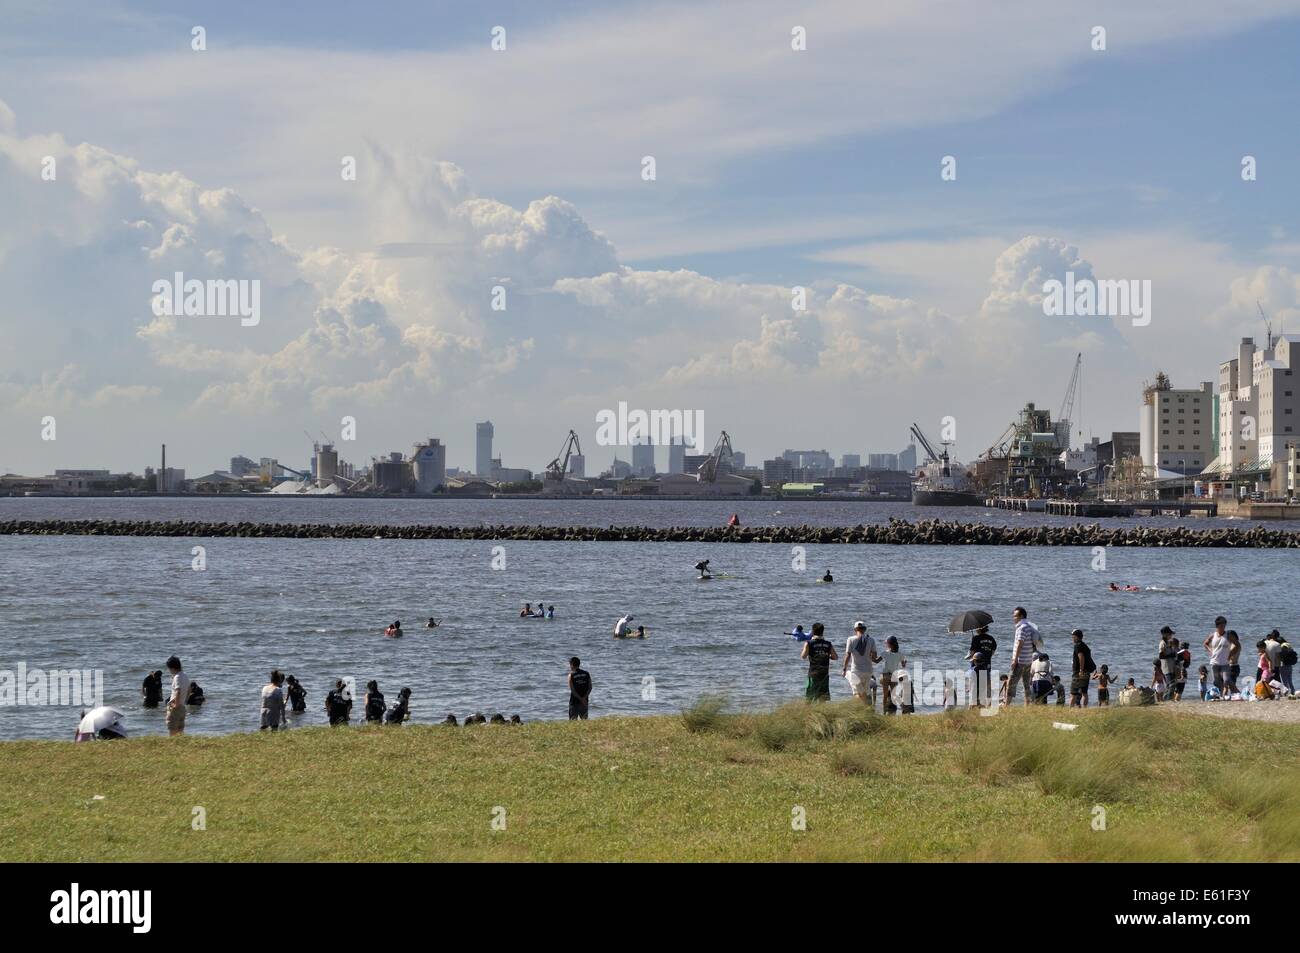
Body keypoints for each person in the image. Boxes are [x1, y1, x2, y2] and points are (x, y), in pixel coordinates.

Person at [841, 622, 880, 706]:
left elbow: (848, 655)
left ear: (855, 630)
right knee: (865, 693)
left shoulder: (850, 639)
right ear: (865, 629)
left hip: (856, 671)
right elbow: (874, 658)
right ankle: (866, 709)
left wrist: (844, 669)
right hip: (868, 671)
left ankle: (858, 710)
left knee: (857, 693)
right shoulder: (871, 640)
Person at [1008, 607, 1040, 706]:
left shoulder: (1021, 628)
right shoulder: (1029, 627)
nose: (1014, 618)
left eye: (1015, 616)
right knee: (1026, 684)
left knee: (1011, 683)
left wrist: (1014, 660)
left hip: (1020, 661)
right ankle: (1027, 705)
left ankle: (1006, 705)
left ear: (1021, 616)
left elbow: (1019, 644)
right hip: (1028, 661)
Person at [800, 622, 838, 702]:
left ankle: (809, 713)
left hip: (813, 673)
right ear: (822, 632)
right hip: (824, 674)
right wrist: (828, 656)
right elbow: (835, 657)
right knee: (822, 698)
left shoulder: (809, 643)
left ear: (813, 632)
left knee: (810, 698)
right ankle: (821, 713)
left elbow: (803, 656)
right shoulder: (828, 644)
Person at [967, 625, 997, 708]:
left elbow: (972, 653)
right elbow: (993, 652)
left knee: (974, 685)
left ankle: (973, 705)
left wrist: (973, 642)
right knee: (985, 684)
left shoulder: (976, 638)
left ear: (979, 628)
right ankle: (986, 703)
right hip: (987, 664)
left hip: (976, 665)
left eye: (977, 627)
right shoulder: (991, 638)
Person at [878, 636, 905, 713]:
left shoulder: (885, 653)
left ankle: (883, 711)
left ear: (890, 644)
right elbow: (903, 665)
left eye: (887, 643)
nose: (886, 644)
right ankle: (893, 712)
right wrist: (904, 662)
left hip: (885, 676)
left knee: (885, 695)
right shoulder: (900, 654)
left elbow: (876, 661)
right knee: (894, 696)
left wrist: (871, 655)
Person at [1070, 628, 1096, 707]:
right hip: (1086, 672)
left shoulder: (1078, 646)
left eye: (1073, 636)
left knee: (1073, 693)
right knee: (1084, 692)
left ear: (1077, 637)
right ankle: (1085, 708)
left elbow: (1081, 657)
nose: (1072, 638)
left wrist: (1080, 670)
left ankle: (1070, 709)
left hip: (1079, 672)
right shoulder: (1084, 645)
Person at [164, 656, 190, 736]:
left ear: (172, 668)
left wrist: (175, 705)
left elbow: (178, 691)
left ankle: (172, 746)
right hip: (182, 707)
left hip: (176, 707)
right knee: (180, 730)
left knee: (172, 730)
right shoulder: (185, 676)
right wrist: (184, 701)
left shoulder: (177, 677)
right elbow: (189, 690)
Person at [1204, 617, 1230, 696]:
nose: (1223, 628)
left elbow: (1237, 645)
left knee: (1226, 680)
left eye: (1224, 626)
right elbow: (1205, 643)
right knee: (1216, 681)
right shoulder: (1213, 635)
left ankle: (1224, 693)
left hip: (1225, 662)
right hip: (1214, 662)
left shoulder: (1228, 635)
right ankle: (1221, 694)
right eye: (1221, 626)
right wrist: (1210, 650)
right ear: (1217, 626)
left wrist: (1231, 654)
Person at [1266, 629, 1296, 694]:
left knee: (1284, 680)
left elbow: (1280, 656)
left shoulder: (1282, 646)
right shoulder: (1288, 645)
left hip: (1284, 665)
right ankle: (1292, 691)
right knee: (1290, 680)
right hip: (1290, 665)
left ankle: (1285, 692)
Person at [1158, 625, 1180, 701]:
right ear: (1164, 634)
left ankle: (1168, 699)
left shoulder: (1169, 643)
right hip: (1166, 667)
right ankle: (1166, 700)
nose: (1171, 635)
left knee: (1172, 685)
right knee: (1170, 684)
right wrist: (1171, 655)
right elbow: (1161, 656)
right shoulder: (1162, 643)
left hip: (1171, 667)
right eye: (1169, 634)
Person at [1226, 631, 1242, 697]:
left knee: (1232, 685)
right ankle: (1235, 695)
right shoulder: (1233, 644)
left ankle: (1239, 695)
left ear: (1233, 636)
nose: (1228, 638)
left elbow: (1229, 656)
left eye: (1229, 636)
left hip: (1233, 666)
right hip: (1233, 666)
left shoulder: (1236, 645)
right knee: (1231, 685)